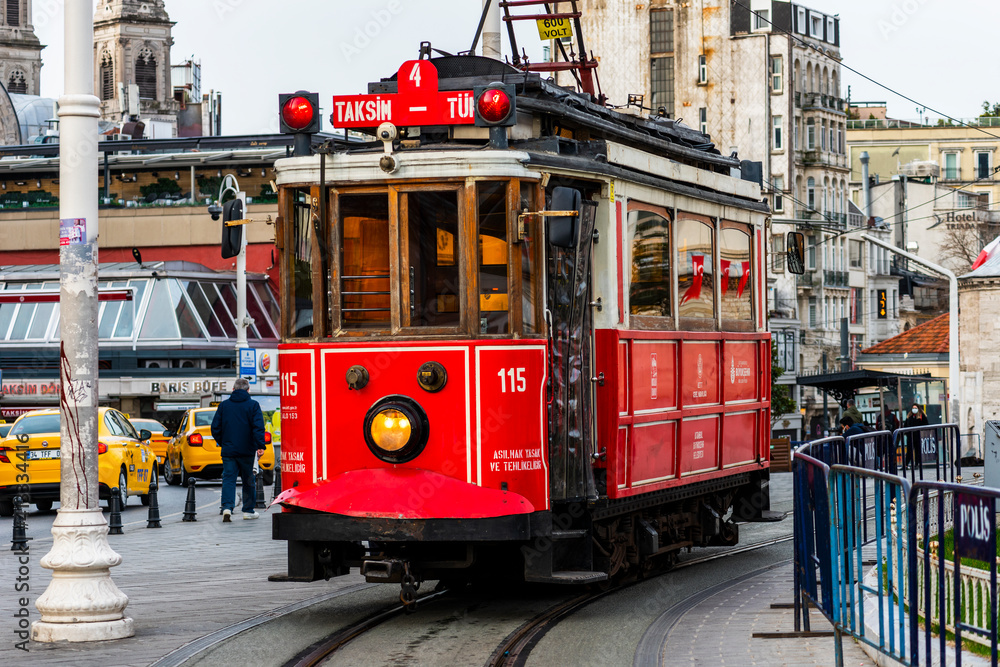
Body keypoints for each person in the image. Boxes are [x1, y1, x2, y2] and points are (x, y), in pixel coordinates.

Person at [211, 378, 266, 522]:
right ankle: (248, 510)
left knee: (229, 479)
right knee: (248, 479)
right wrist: (260, 445)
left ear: (233, 390)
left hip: (229, 451)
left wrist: (223, 442)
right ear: (248, 390)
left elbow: (215, 428)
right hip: (247, 450)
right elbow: (258, 428)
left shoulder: (224, 406)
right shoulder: (253, 405)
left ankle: (227, 508)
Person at [902, 403, 929, 468]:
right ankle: (906, 464)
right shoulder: (909, 416)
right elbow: (906, 425)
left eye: (915, 408)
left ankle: (917, 464)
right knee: (909, 451)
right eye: (913, 408)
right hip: (910, 436)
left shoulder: (922, 416)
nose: (914, 409)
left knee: (918, 450)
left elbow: (926, 424)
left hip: (918, 435)